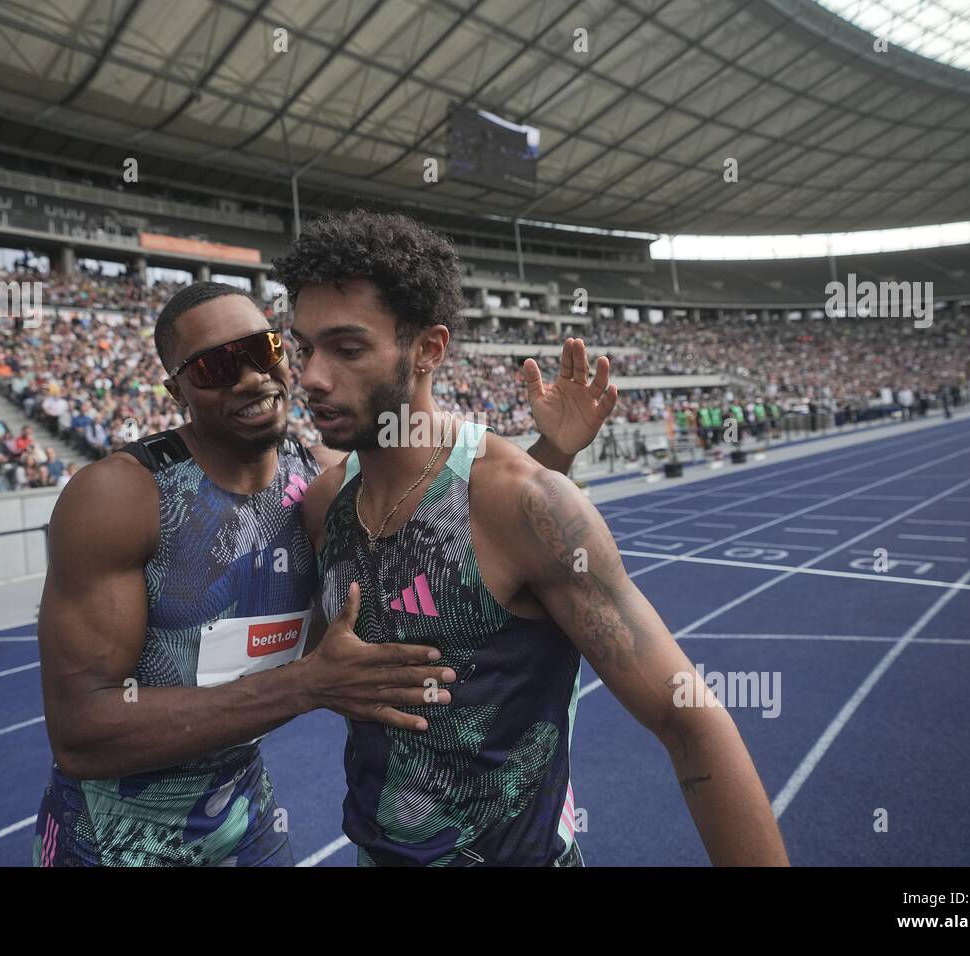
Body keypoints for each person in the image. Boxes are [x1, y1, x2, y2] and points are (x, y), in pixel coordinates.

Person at [31, 280, 605, 867]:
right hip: (111, 840)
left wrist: (552, 454)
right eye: (216, 366)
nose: (252, 377)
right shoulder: (120, 497)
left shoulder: (321, 486)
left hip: (243, 818)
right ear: (176, 389)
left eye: (265, 350)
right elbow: (80, 732)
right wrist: (305, 684)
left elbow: (457, 520)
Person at [284, 209, 788, 867]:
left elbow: (689, 719)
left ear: (429, 350)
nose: (314, 377)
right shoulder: (327, 504)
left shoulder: (525, 499)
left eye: (347, 349)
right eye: (304, 348)